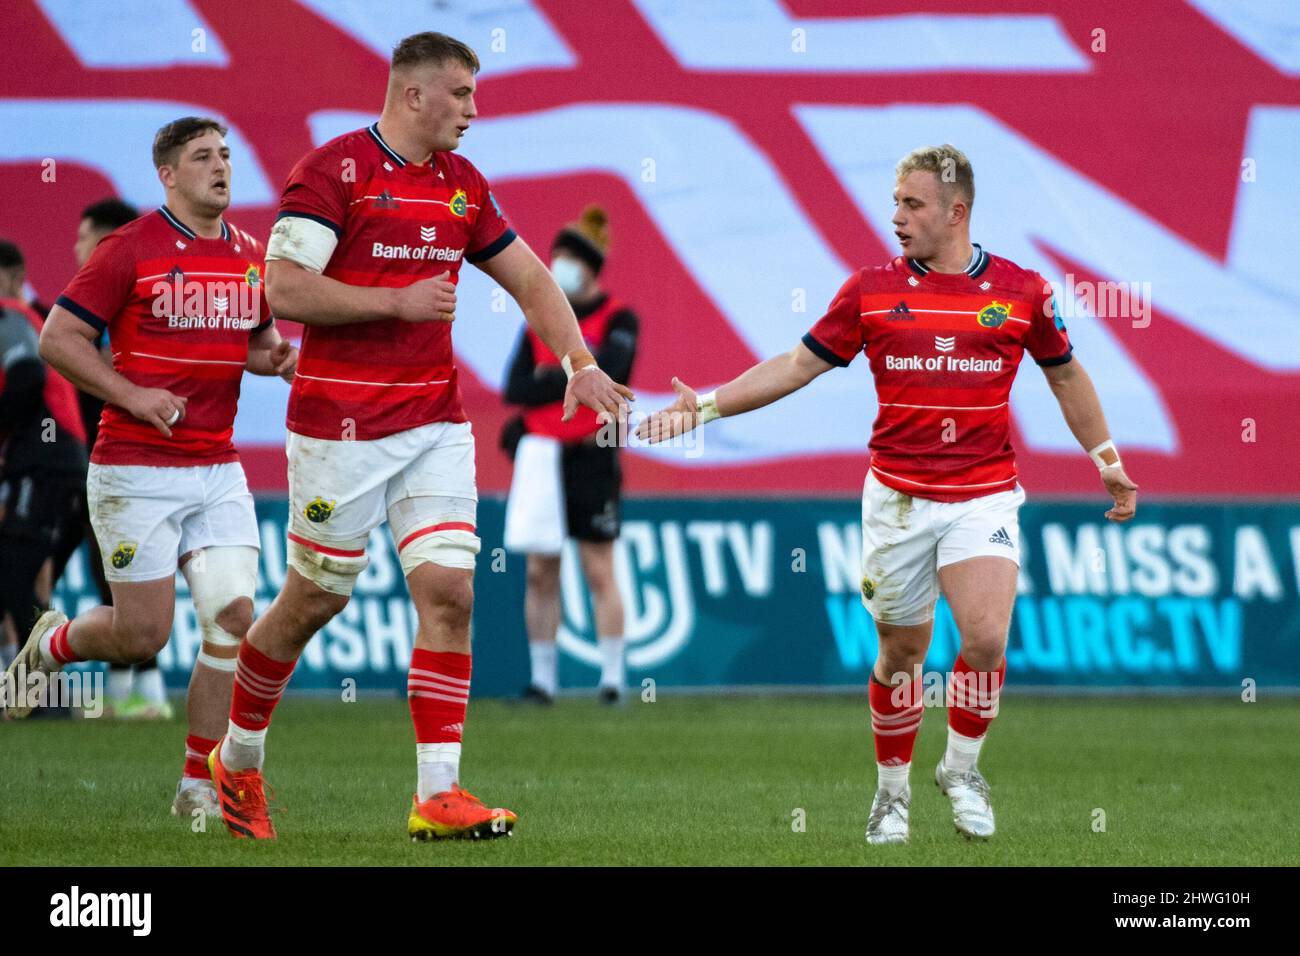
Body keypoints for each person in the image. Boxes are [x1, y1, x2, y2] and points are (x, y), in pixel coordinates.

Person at [637, 144, 1138, 845]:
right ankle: (892, 793)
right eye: (896, 201)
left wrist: (1105, 457)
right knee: (903, 654)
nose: (896, 216)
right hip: (898, 500)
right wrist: (709, 407)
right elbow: (795, 365)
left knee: (987, 639)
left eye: (913, 204)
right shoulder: (869, 291)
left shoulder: (1023, 293)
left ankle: (961, 771)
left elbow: (1065, 375)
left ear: (956, 212)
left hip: (982, 493)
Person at [207, 31, 632, 842]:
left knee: (451, 593)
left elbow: (532, 278)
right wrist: (395, 303)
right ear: (413, 95)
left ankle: (438, 793)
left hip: (435, 424)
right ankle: (239, 756)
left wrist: (576, 361)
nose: (474, 110)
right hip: (340, 430)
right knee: (311, 602)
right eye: (462, 94)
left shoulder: (463, 185)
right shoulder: (333, 171)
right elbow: (286, 286)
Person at [3, 117, 298, 823]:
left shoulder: (251, 255)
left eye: (226, 154)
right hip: (134, 468)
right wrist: (132, 395)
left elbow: (256, 343)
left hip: (215, 466)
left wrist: (278, 360)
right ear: (167, 175)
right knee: (144, 636)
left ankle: (198, 781)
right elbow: (57, 337)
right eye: (203, 157)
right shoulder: (126, 249)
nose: (221, 167)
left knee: (231, 619)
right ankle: (54, 640)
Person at [502, 206, 638, 705]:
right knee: (541, 569)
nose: (556, 264)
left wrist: (552, 379)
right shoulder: (542, 318)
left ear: (588, 265)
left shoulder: (619, 316)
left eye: (566, 257)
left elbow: (614, 372)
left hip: (591, 452)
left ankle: (613, 680)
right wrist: (575, 377)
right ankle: (543, 681)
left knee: (598, 566)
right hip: (542, 453)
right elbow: (514, 387)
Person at [52, 198, 172, 719]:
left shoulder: (119, 303)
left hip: (113, 460)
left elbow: (85, 355)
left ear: (103, 239)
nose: (76, 249)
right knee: (102, 570)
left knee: (115, 571)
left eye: (83, 237)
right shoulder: (97, 302)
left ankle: (134, 687)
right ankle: (128, 688)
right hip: (87, 460)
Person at [0, 242, 89, 706]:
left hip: (45, 463)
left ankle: (44, 697)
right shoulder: (25, 318)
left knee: (12, 572)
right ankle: (35, 689)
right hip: (63, 464)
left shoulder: (7, 315)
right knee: (24, 574)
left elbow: (27, 378)